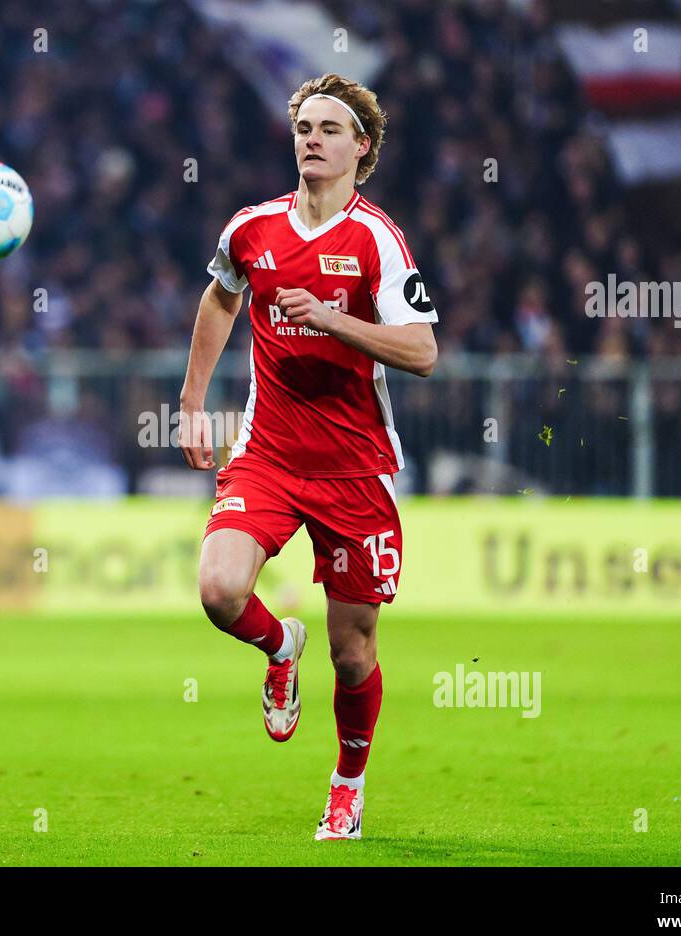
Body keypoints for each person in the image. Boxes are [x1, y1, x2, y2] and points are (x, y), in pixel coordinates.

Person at [178, 73, 439, 840]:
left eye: (330, 128)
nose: (312, 140)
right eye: (303, 128)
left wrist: (332, 319)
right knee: (219, 590)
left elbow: (423, 351)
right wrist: (192, 405)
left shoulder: (377, 240)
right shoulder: (252, 229)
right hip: (268, 453)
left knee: (353, 652)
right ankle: (277, 643)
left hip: (356, 468)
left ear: (362, 146)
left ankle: (347, 784)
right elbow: (222, 296)